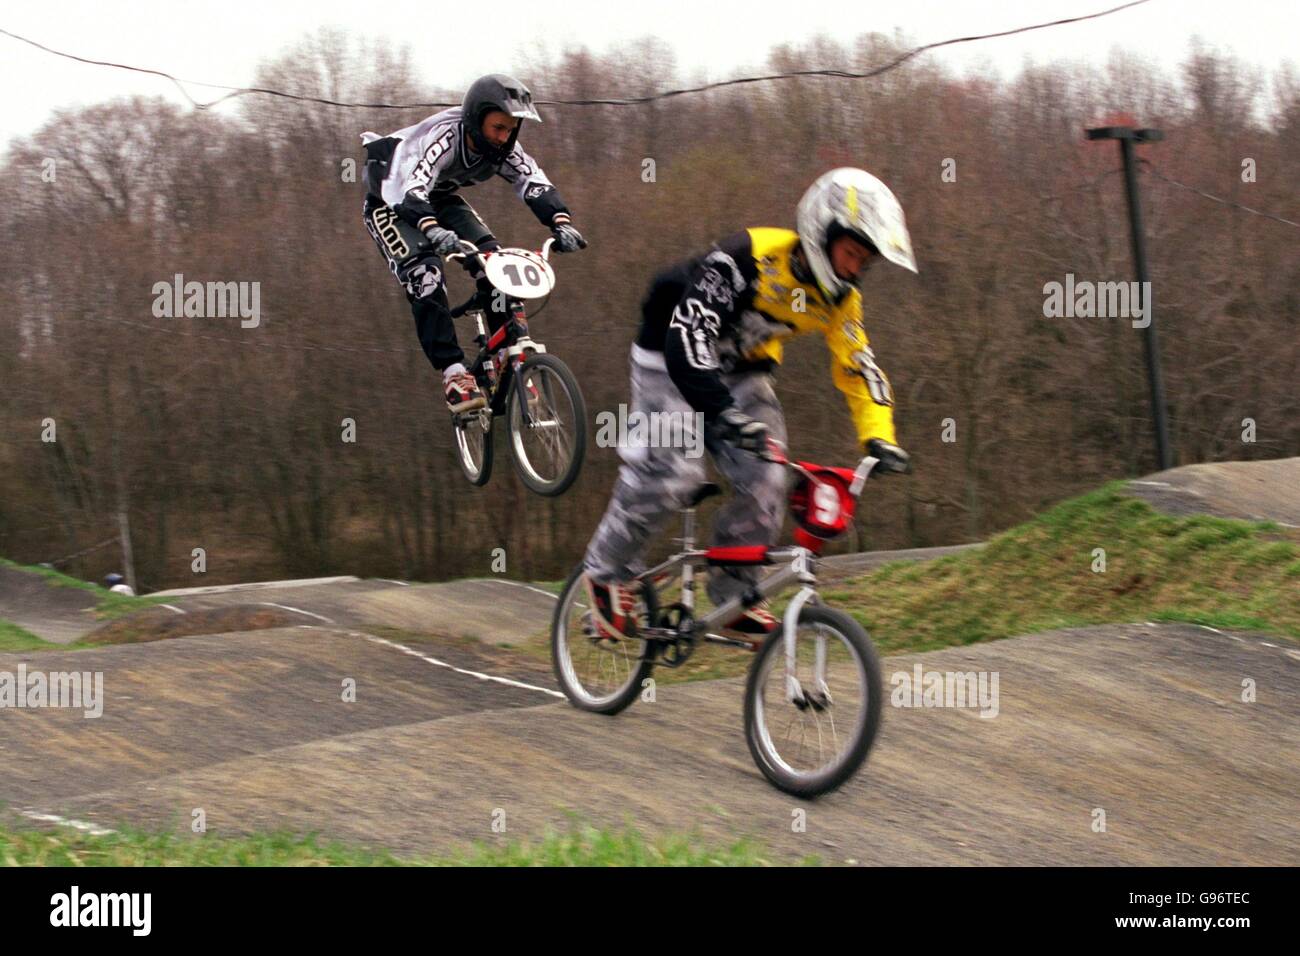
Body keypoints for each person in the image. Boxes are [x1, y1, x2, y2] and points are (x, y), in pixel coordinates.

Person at [583, 167, 916, 639]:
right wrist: (721, 412)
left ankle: (734, 590)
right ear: (822, 232)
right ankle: (606, 572)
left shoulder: (842, 301)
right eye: (852, 255)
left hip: (740, 371)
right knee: (672, 472)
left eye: (866, 263)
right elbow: (690, 336)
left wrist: (879, 436)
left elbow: (859, 367)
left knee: (768, 476)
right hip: (668, 355)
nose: (855, 271)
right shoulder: (745, 259)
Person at [360, 73, 587, 412]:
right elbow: (411, 190)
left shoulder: (505, 148)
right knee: (425, 272)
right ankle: (454, 373)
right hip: (392, 202)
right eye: (498, 128)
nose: (503, 137)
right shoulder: (445, 139)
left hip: (439, 197)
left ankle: (502, 359)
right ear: (475, 119)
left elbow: (532, 180)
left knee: (494, 262)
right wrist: (430, 227)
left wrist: (561, 222)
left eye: (511, 130)